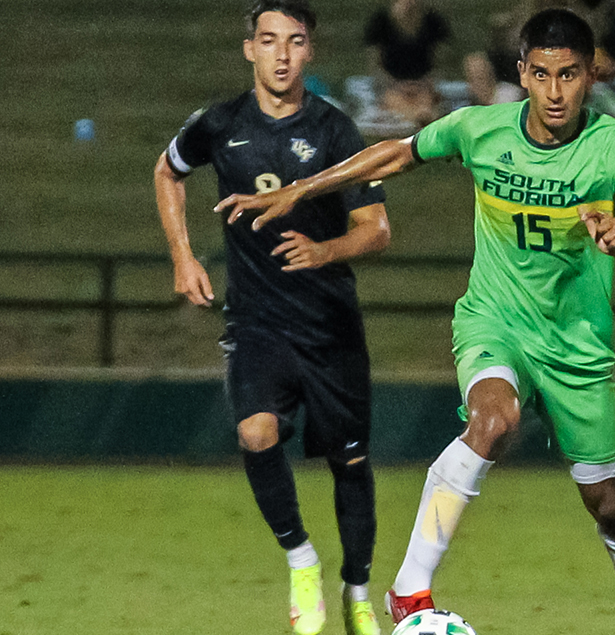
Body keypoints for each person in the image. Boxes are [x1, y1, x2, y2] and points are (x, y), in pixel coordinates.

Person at [217, 9, 615, 635]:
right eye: (542, 74)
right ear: (521, 72)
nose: (554, 92)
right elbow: (397, 152)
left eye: (570, 75)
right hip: (493, 321)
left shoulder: (614, 149)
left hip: (577, 347)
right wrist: (304, 189)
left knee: (613, 509)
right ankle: (409, 592)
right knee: (493, 421)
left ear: (590, 76)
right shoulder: (480, 128)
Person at [153, 2, 390, 634]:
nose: (281, 54)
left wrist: (325, 250)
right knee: (256, 433)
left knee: (350, 463)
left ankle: (358, 591)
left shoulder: (337, 132)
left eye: (295, 42)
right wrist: (182, 257)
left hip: (330, 325)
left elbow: (377, 229)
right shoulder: (219, 123)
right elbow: (168, 170)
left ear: (309, 52)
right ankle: (301, 558)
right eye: (269, 40)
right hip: (257, 323)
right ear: (248, 49)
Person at [363, 0, 451, 127]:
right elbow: (375, 66)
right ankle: (416, 121)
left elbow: (441, 63)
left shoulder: (433, 22)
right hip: (393, 86)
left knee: (426, 103)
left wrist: (424, 84)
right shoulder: (380, 23)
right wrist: (397, 85)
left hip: (423, 86)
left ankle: (421, 120)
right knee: (396, 102)